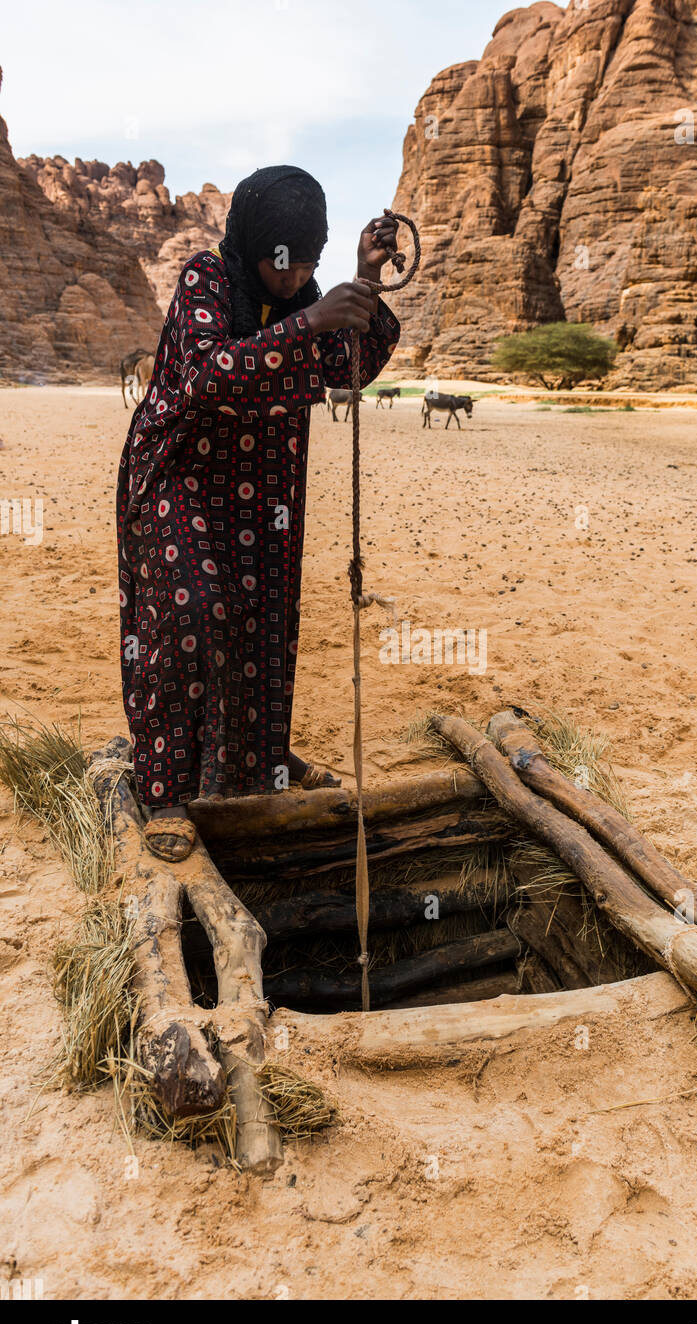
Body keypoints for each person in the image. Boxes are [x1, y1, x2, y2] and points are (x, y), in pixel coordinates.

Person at [116, 166, 400, 862]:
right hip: (177, 476)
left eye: (307, 261)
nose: (292, 275)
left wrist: (364, 277)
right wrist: (309, 320)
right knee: (192, 614)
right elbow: (210, 374)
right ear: (251, 246)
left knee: (262, 622)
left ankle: (266, 760)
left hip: (262, 490)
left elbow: (350, 369)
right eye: (283, 262)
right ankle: (164, 790)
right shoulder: (204, 282)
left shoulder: (305, 294)